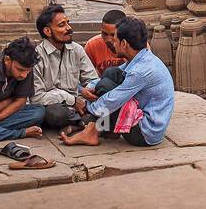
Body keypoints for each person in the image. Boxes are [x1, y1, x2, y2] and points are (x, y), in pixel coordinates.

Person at [61, 17, 174, 148]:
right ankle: (101, 128)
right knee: (111, 73)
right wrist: (89, 88)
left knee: (106, 87)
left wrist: (87, 106)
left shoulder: (140, 71)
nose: (112, 44)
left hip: (144, 133)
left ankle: (91, 132)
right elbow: (111, 75)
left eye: (115, 41)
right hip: (144, 119)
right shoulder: (142, 57)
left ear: (124, 44)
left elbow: (112, 100)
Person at [31, 3, 98, 128]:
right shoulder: (37, 56)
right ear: (47, 31)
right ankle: (84, 123)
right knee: (55, 114)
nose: (69, 28)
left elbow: (91, 79)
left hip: (80, 101)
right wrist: (71, 100)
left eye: (68, 23)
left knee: (104, 90)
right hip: (56, 106)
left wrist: (89, 90)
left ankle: (80, 124)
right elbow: (37, 97)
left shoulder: (76, 49)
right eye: (62, 25)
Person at [84, 8, 128, 76]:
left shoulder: (135, 44)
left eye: (113, 35)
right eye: (104, 34)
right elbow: (87, 75)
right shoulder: (92, 45)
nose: (108, 39)